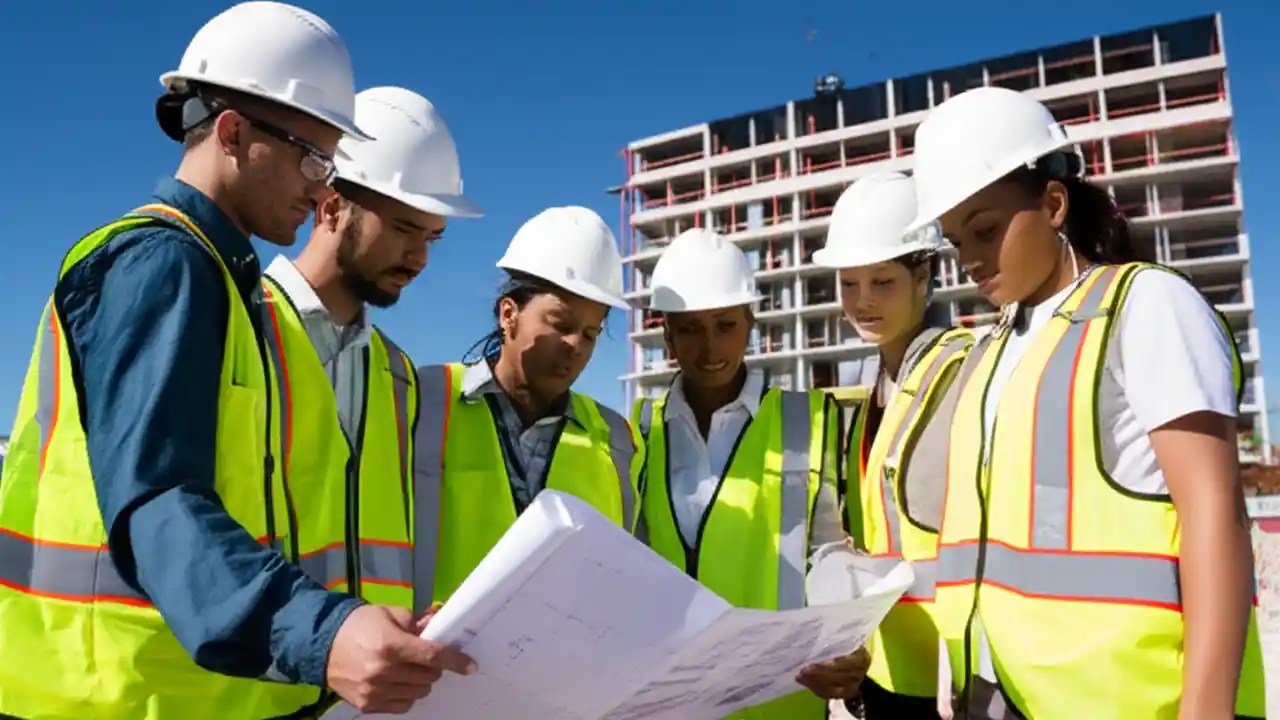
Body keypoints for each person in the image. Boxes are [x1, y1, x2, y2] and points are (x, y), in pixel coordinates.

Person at [0, 5, 472, 719]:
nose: (322, 188)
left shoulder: (226, 284)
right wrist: (325, 630)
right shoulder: (163, 261)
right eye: (315, 158)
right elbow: (158, 499)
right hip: (116, 698)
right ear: (233, 134)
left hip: (204, 695)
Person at [903, 85, 1266, 719]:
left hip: (1130, 700)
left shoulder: (1146, 304)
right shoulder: (993, 347)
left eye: (986, 230)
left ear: (1052, 203)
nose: (971, 259)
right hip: (997, 694)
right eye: (958, 241)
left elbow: (1214, 516)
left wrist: (1207, 710)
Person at [260, 85, 483, 615]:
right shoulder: (242, 327)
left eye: (433, 238)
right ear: (333, 208)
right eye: (406, 228)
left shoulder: (398, 376)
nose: (420, 257)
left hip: (364, 688)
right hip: (249, 683)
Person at [632, 228, 866, 719]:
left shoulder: (811, 420)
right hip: (668, 697)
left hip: (779, 700)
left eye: (725, 325)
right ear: (666, 334)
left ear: (750, 323)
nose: (710, 346)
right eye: (691, 328)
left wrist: (851, 645)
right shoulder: (638, 432)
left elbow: (834, 554)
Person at [411, 205, 644, 607]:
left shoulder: (618, 440)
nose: (576, 346)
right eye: (560, 324)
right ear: (508, 314)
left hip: (567, 665)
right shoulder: (421, 400)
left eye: (591, 334)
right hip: (436, 660)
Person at [811, 172, 974, 720]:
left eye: (882, 282)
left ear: (923, 274)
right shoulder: (873, 397)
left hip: (956, 680)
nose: (862, 302)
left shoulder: (965, 368)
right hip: (886, 677)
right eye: (849, 284)